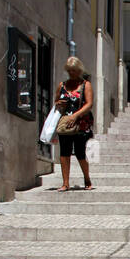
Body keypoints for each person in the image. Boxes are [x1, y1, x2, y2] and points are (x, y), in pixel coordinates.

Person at [53, 56, 94, 191]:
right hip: (65, 123)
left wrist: (75, 115)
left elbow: (89, 104)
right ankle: (65, 183)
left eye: (74, 70)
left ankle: (87, 178)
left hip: (80, 123)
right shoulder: (62, 85)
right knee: (64, 153)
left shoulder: (85, 85)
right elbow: (56, 100)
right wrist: (58, 103)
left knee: (80, 152)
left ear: (79, 70)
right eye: (69, 71)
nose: (72, 73)